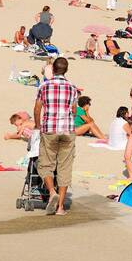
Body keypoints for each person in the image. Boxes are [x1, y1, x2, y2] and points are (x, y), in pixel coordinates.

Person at [34, 57, 78, 216]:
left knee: (46, 163)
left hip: (50, 129)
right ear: (66, 70)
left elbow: (37, 108)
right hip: (67, 130)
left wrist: (38, 126)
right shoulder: (72, 88)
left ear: (52, 69)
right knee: (65, 166)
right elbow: (74, 111)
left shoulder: (44, 86)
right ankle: (60, 208)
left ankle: (52, 192)